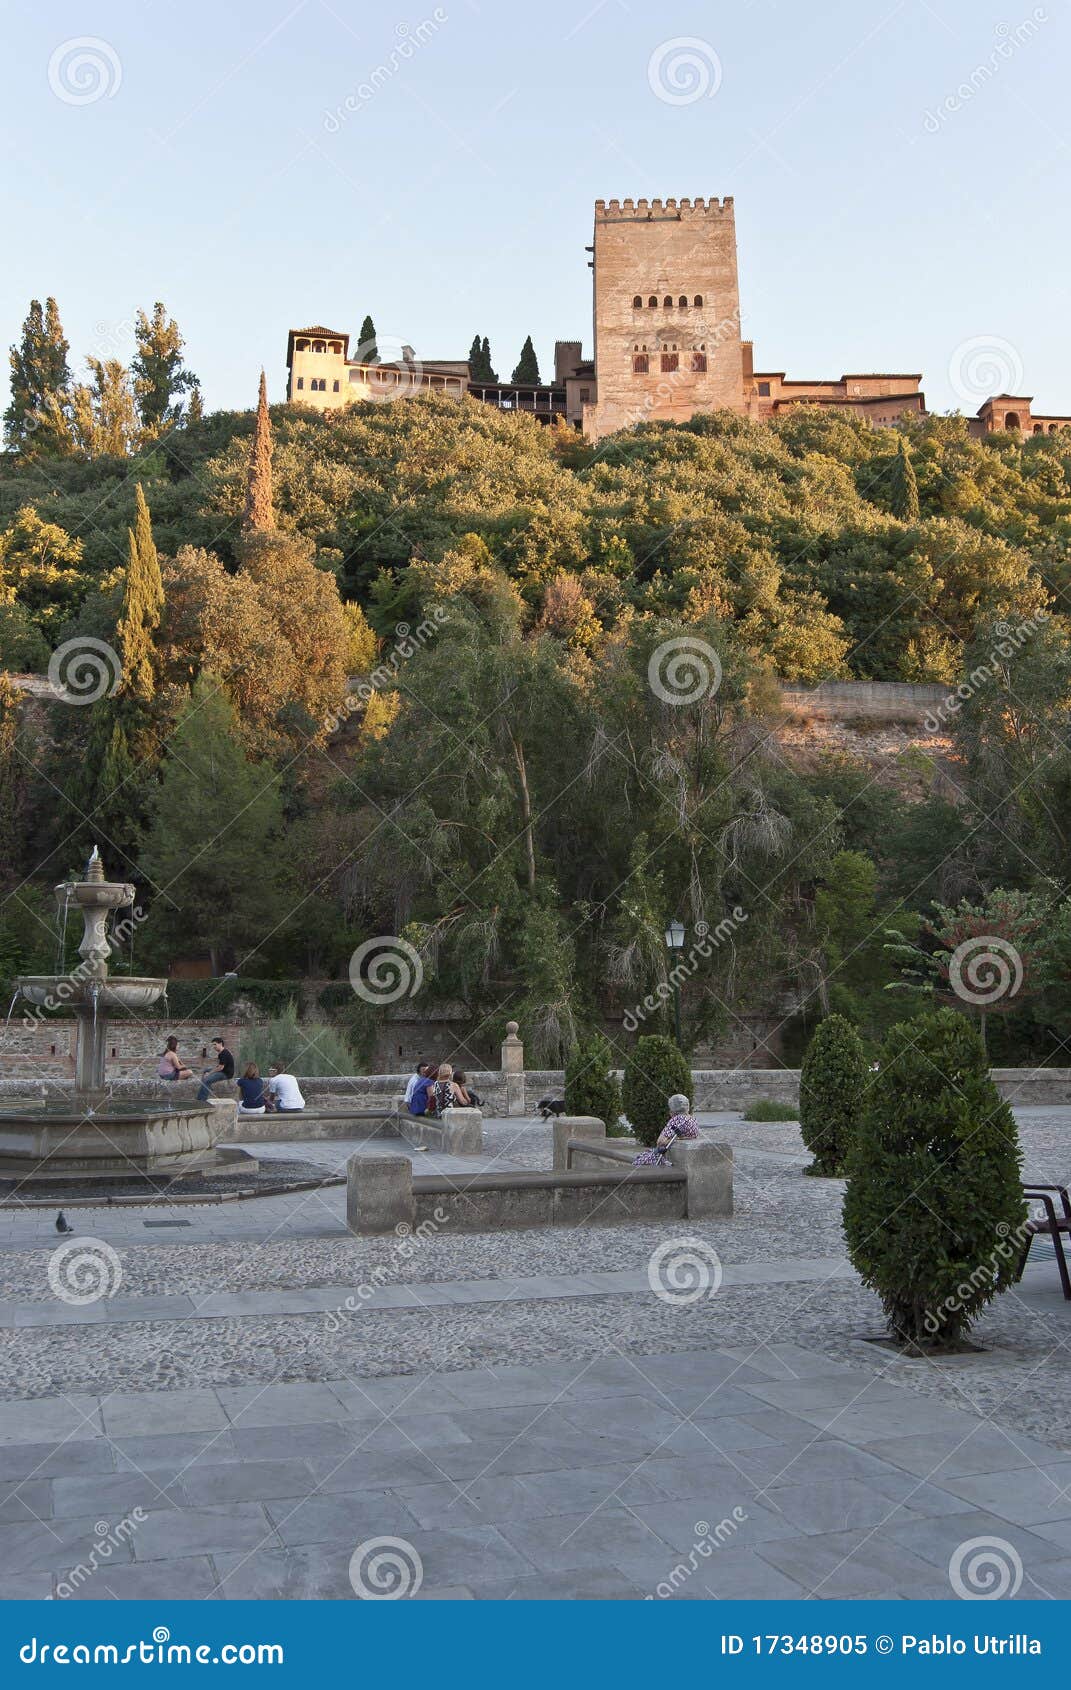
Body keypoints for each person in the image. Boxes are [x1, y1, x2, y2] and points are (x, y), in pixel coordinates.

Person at [633, 1093, 701, 1166]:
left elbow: (660, 1142)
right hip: (682, 1154)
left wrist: (673, 1138)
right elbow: (694, 1136)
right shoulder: (693, 1120)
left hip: (663, 1158)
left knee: (638, 1161)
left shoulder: (677, 1119)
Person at [197, 1037, 235, 1102]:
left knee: (207, 1080)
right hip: (223, 1070)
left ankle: (201, 1100)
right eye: (213, 1045)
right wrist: (210, 1071)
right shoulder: (221, 1052)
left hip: (226, 1073)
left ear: (220, 1044)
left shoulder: (223, 1053)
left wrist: (210, 1073)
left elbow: (221, 1067)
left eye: (215, 1044)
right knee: (205, 1070)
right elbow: (220, 1065)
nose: (214, 1047)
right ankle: (206, 1087)